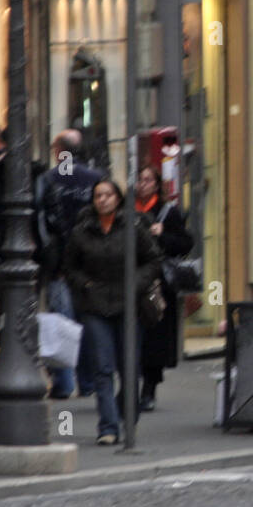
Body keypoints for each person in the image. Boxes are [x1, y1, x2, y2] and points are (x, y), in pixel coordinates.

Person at [63, 177, 161, 444]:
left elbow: (153, 259)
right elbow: (69, 266)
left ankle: (127, 417)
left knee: (129, 367)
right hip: (95, 306)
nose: (102, 199)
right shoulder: (82, 230)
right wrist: (84, 284)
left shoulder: (133, 226)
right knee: (102, 368)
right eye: (97, 196)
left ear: (117, 199)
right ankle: (107, 427)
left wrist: (136, 283)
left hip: (128, 304)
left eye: (107, 195)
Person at [37, 129, 104, 398]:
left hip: (60, 265)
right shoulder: (95, 179)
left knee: (62, 323)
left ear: (58, 150)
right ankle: (87, 382)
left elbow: (46, 224)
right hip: (91, 263)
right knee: (87, 322)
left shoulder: (49, 179)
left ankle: (64, 382)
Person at [135, 165, 192, 412]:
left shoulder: (167, 212)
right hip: (128, 283)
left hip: (157, 286)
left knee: (154, 341)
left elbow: (185, 243)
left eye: (148, 179)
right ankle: (128, 389)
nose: (143, 183)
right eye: (140, 179)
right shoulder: (127, 210)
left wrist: (163, 235)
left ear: (156, 185)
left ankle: (148, 389)